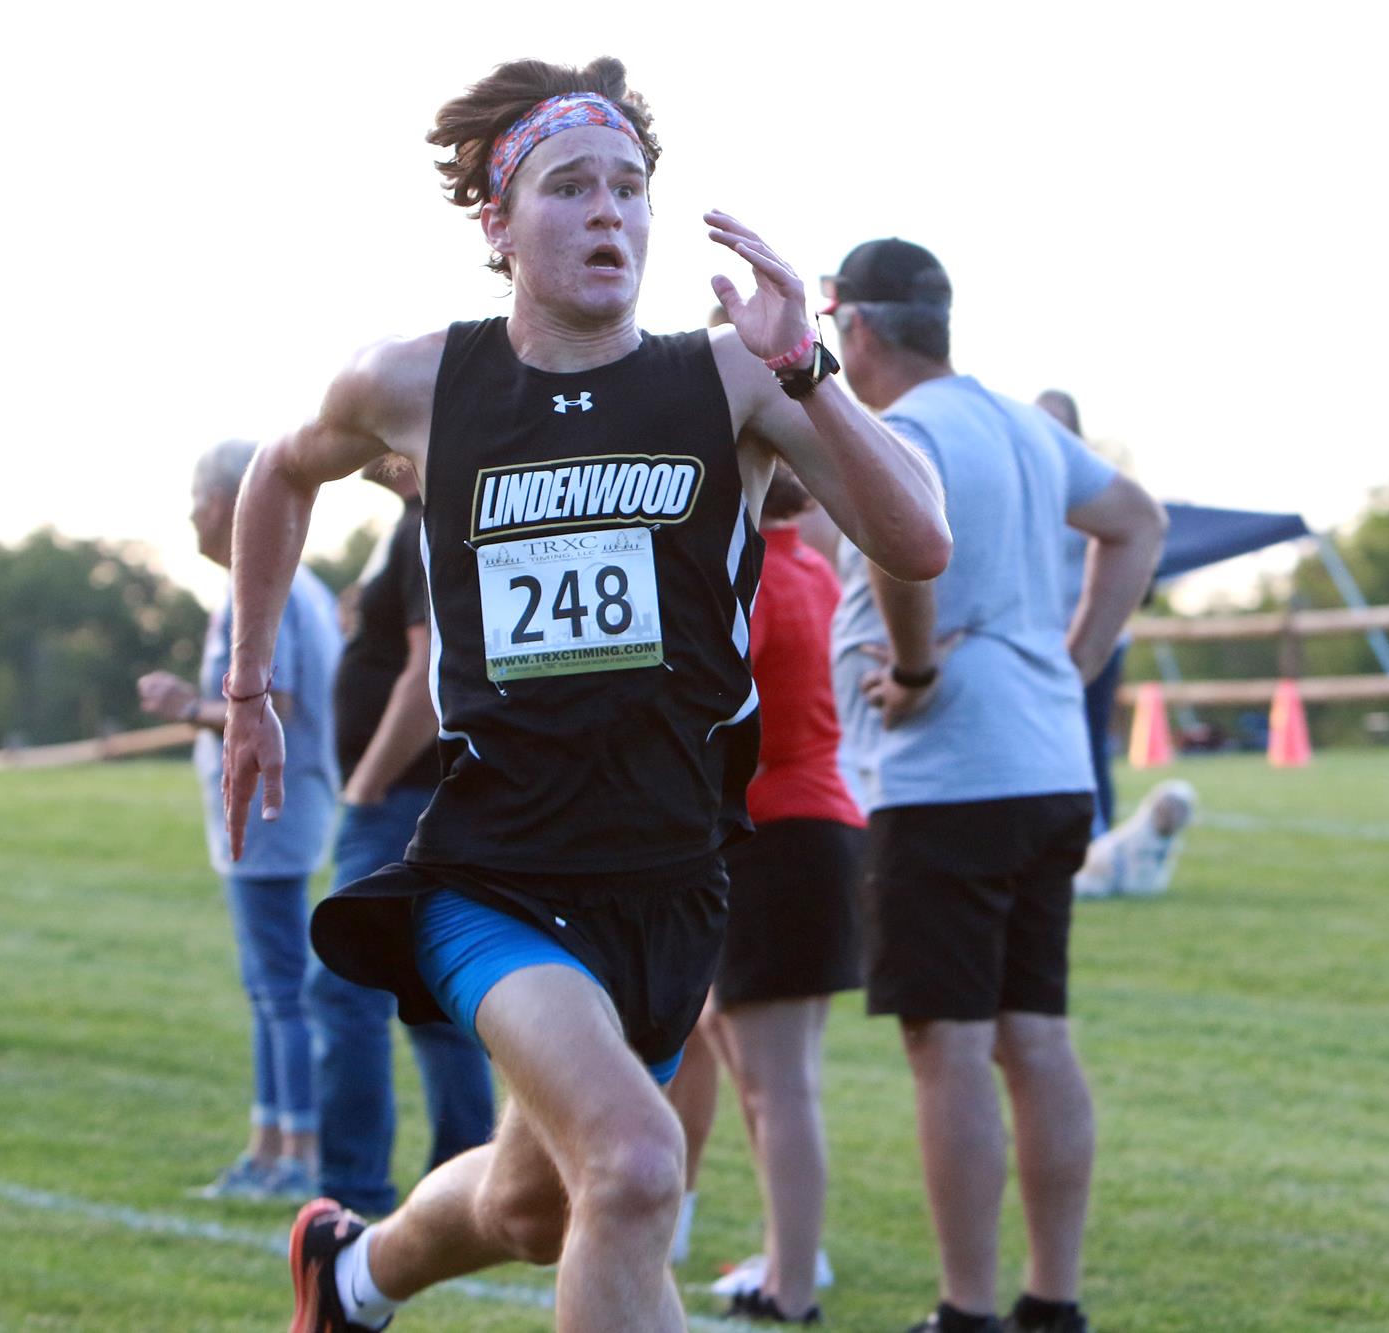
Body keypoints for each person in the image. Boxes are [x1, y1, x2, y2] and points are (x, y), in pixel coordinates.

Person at [220, 57, 949, 1333]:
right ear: (497, 227)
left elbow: (918, 542)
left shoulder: (729, 379)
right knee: (635, 1163)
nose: (608, 212)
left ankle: (347, 1276)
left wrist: (807, 370)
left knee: (533, 1207)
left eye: (629, 187)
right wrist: (246, 689)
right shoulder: (416, 383)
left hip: (671, 881)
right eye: (568, 188)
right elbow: (279, 476)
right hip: (493, 874)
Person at [820, 238, 1164, 1333]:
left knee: (950, 1046)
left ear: (856, 330)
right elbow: (1135, 523)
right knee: (1034, 1033)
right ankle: (1048, 1301)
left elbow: (898, 541)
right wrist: (1067, 662)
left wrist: (914, 667)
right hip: (1046, 765)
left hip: (948, 777)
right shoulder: (1022, 422)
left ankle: (965, 1311)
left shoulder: (901, 433)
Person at [665, 463, 862, 1326]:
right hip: (801, 833)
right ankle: (786, 1261)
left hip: (780, 834)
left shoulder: (762, 578)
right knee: (757, 1068)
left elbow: (716, 717)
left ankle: (794, 1285)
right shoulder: (806, 565)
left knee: (778, 1081)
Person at [138, 439, 342, 1200]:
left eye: (195, 497)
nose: (189, 514)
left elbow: (274, 709)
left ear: (224, 504)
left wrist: (183, 708)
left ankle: (294, 1155)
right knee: (268, 985)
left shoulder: (262, 592)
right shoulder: (295, 586)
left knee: (281, 988)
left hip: (268, 814)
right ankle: (266, 1146)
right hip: (278, 814)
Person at [304, 453, 493, 1219]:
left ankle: (351, 1189)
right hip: (423, 796)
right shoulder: (413, 527)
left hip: (398, 800)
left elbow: (426, 672)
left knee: (343, 990)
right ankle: (464, 1183)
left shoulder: (424, 524)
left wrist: (367, 782)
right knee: (437, 994)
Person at [1035, 391, 1127, 837]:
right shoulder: (1027, 477)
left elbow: (1133, 532)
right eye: (1040, 419)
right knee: (1047, 742)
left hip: (1090, 633)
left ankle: (1099, 839)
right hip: (1043, 636)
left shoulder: (1090, 482)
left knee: (1087, 739)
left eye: (1056, 420)